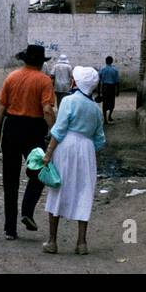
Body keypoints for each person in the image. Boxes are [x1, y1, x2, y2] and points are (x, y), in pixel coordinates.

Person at [0, 43, 56, 240]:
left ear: (25, 59)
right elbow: (47, 109)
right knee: (39, 172)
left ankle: (9, 229)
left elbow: (0, 107)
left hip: (11, 127)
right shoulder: (44, 81)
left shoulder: (11, 77)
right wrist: (55, 131)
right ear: (40, 62)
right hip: (34, 130)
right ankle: (27, 211)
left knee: (10, 179)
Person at [42, 66, 106, 255]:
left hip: (66, 146)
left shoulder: (68, 101)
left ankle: (52, 241)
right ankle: (81, 243)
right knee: (84, 191)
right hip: (87, 149)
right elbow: (100, 139)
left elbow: (59, 129)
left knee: (58, 188)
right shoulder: (96, 109)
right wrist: (87, 150)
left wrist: (48, 153)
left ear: (76, 83)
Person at [99, 56, 121, 123]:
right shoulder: (115, 70)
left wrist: (98, 91)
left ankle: (105, 119)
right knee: (112, 102)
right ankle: (109, 116)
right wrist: (118, 90)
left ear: (105, 61)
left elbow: (99, 80)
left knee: (105, 103)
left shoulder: (102, 69)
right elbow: (117, 82)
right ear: (112, 61)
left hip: (105, 87)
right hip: (112, 87)